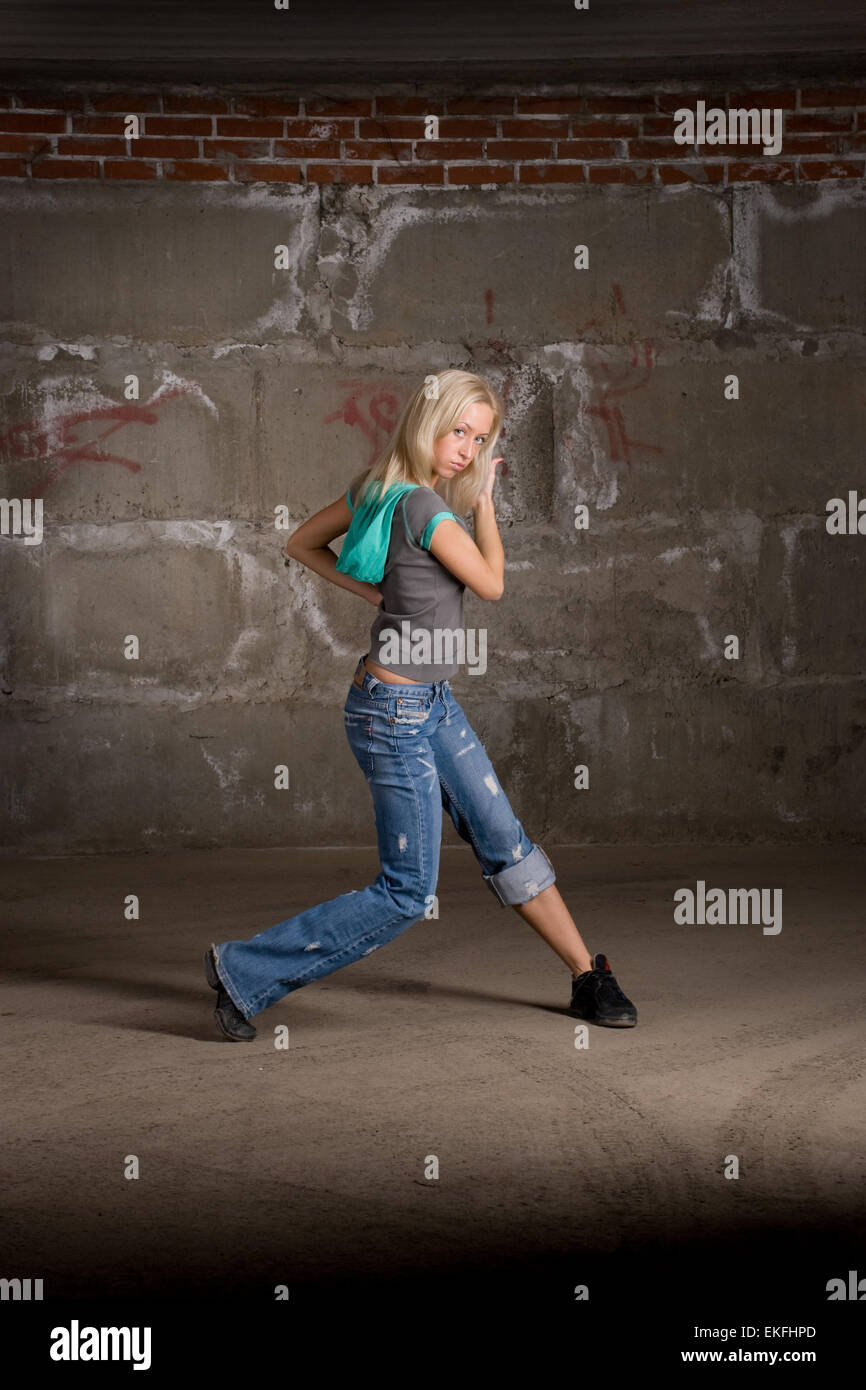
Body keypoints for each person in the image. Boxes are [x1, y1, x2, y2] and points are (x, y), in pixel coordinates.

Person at [203, 368, 637, 1040]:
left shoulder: (379, 489)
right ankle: (243, 972)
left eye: (480, 438)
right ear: (426, 420)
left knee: (503, 838)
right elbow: (491, 584)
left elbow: (301, 543)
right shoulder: (424, 509)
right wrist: (486, 502)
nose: (467, 448)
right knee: (407, 893)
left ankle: (587, 975)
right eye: (459, 430)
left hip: (425, 703)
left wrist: (374, 594)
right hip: (394, 718)